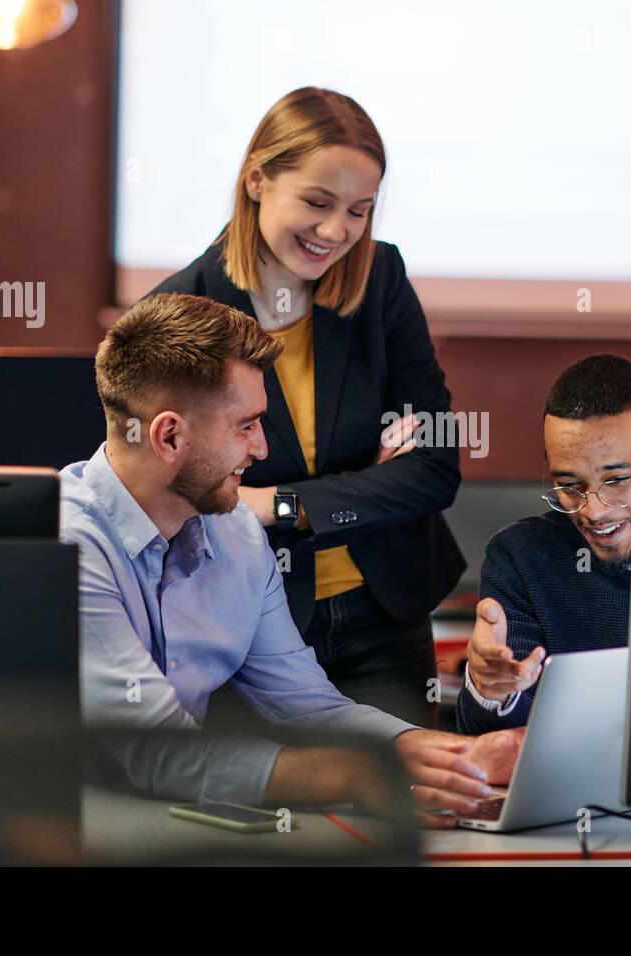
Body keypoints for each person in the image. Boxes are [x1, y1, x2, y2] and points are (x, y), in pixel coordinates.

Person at [62, 292, 518, 825]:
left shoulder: (237, 535)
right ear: (169, 436)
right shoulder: (67, 548)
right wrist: (360, 774)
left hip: (168, 820)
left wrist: (441, 755)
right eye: (245, 425)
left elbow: (306, 704)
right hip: (59, 830)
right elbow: (160, 750)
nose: (259, 449)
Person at [150, 87, 463, 727]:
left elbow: (433, 470)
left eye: (359, 211)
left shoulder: (381, 280)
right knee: (269, 817)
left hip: (385, 618)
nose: (335, 232)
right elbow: (177, 498)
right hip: (250, 627)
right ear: (257, 178)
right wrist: (371, 478)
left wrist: (274, 503)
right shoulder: (180, 311)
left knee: (412, 807)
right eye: (317, 203)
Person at [456, 354, 631, 734]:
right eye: (570, 486)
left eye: (616, 481)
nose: (593, 512)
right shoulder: (521, 558)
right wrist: (491, 691)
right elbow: (496, 741)